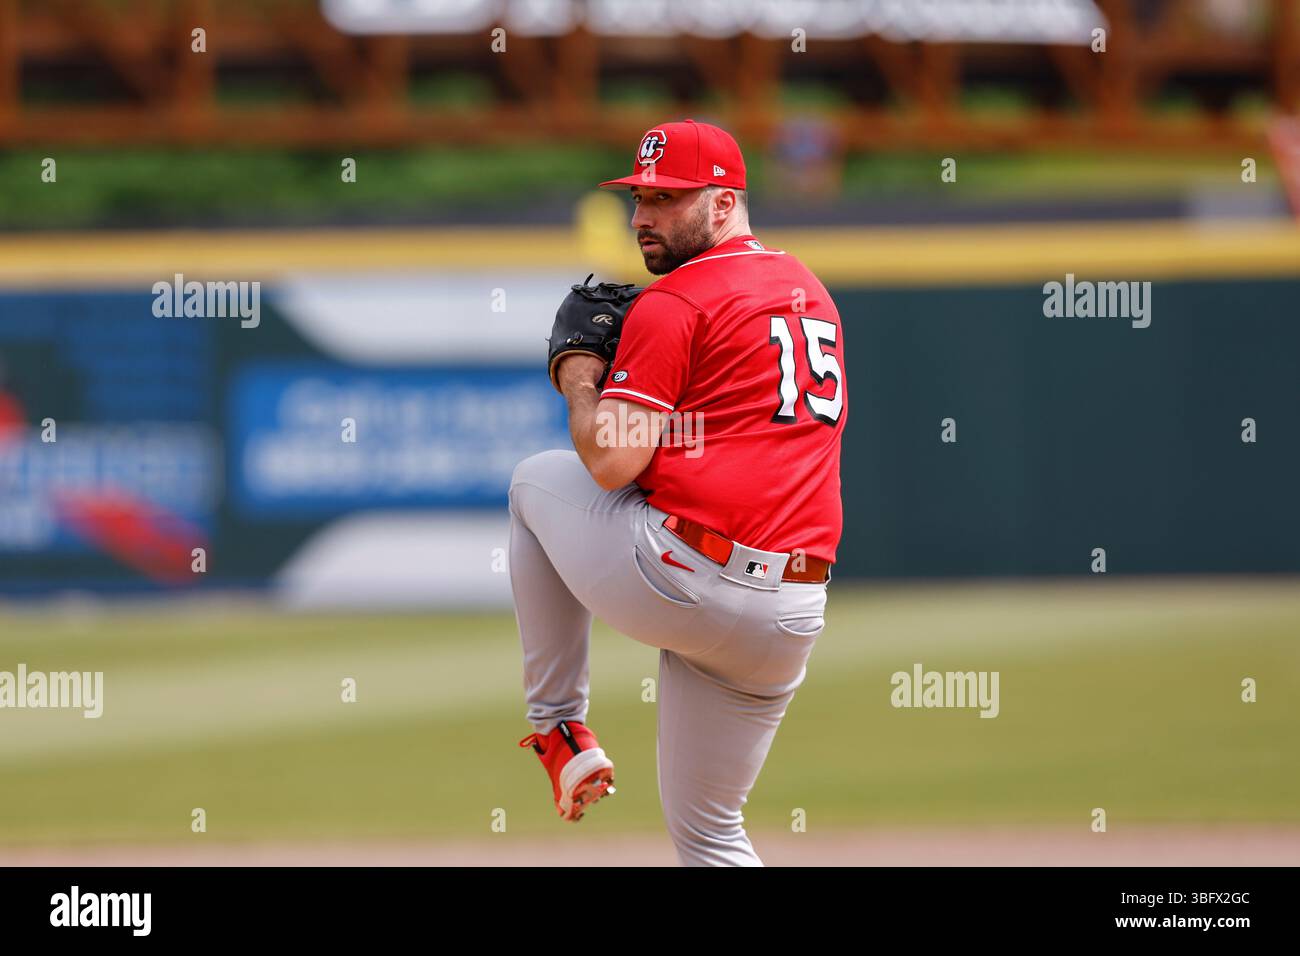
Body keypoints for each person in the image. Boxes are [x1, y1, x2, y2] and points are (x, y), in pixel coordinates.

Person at [510, 119, 847, 866]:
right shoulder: (807, 288)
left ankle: (560, 728)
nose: (642, 217)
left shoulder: (678, 302)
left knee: (533, 482)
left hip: (691, 583)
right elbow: (731, 424)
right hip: (791, 615)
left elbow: (610, 463)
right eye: (638, 197)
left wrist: (578, 373)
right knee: (712, 836)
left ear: (723, 202)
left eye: (666, 199)